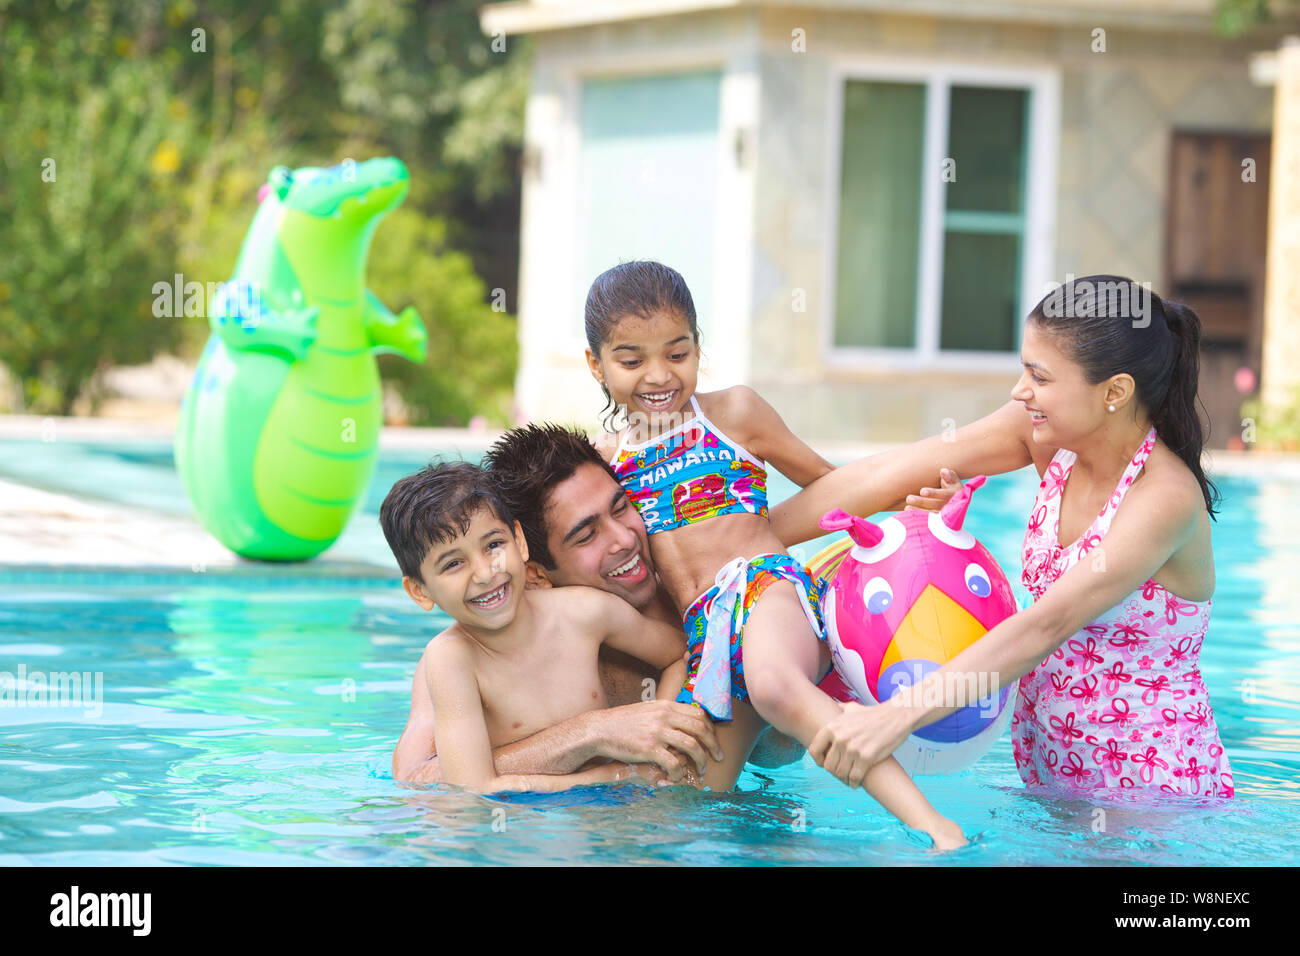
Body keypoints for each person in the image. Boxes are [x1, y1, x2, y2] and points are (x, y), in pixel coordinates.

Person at [583, 260, 966, 849]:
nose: (658, 375)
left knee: (775, 686)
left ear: (698, 347)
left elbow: (831, 487)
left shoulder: (731, 414)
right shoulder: (605, 462)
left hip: (765, 590)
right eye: (632, 360)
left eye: (677, 353)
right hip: (708, 643)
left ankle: (938, 830)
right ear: (596, 363)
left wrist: (913, 509)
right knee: (683, 805)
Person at [806, 276, 1234, 799]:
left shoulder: (1164, 496)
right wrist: (753, 538)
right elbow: (886, 474)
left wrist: (894, 717)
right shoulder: (1051, 439)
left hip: (1152, 795)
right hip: (1053, 779)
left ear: (1114, 393)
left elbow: (1045, 624)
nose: (1020, 390)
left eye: (1040, 376)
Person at [379, 461, 688, 793]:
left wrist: (660, 732)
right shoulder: (451, 659)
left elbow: (680, 654)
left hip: (603, 821)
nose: (485, 573)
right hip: (515, 825)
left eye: (493, 545)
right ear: (419, 591)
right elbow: (469, 791)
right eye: (454, 563)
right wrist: (616, 774)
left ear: (519, 542)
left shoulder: (585, 611)